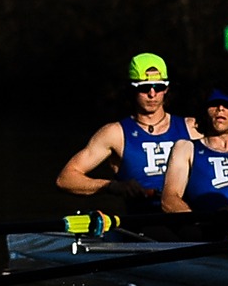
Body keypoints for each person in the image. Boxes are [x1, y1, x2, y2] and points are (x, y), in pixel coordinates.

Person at [55, 53, 200, 210]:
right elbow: (66, 179)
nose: (152, 94)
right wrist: (113, 186)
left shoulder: (192, 128)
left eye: (159, 87)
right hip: (142, 223)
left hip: (187, 217)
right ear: (131, 89)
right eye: (144, 87)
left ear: (166, 89)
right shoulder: (115, 133)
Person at [159, 88, 228, 233]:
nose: (220, 109)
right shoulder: (186, 148)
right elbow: (169, 201)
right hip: (210, 238)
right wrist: (203, 221)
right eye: (214, 104)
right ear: (205, 111)